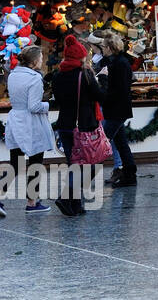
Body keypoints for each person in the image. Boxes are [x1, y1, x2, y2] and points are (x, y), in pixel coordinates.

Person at [51, 35, 105, 216]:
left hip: (65, 125)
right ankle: (66, 198)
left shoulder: (58, 75)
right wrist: (102, 80)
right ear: (81, 57)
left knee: (73, 163)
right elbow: (99, 96)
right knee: (84, 165)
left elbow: (58, 99)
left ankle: (75, 205)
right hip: (82, 126)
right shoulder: (86, 74)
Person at [3, 45, 57, 215]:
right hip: (31, 123)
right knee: (35, 163)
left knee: (15, 163)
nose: (42, 60)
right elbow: (34, 106)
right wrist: (51, 104)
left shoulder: (13, 75)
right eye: (40, 58)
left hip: (16, 120)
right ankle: (32, 202)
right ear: (34, 61)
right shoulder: (34, 78)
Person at [98, 33, 137, 187]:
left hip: (117, 109)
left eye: (103, 47)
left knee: (104, 141)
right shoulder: (114, 61)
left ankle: (85, 177)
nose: (102, 49)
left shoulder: (120, 63)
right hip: (115, 108)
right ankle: (130, 175)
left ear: (109, 47)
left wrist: (103, 83)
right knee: (121, 143)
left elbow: (119, 89)